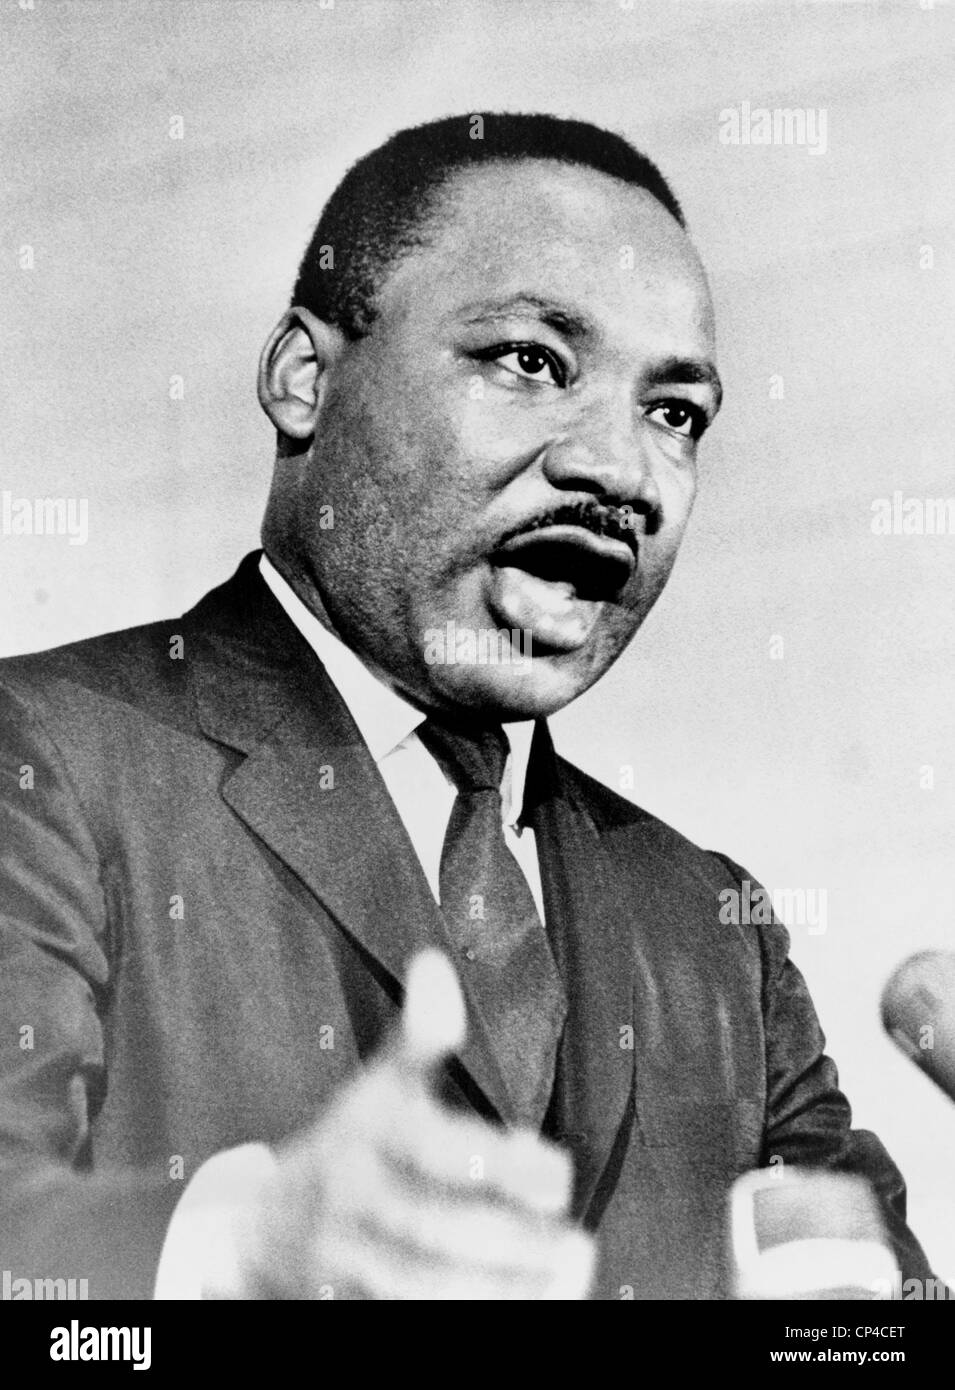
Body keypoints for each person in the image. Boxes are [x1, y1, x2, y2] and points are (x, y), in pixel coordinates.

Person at [0, 112, 932, 1300]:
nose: (621, 470)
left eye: (674, 413)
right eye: (530, 360)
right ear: (302, 380)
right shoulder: (43, 757)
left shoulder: (714, 929)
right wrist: (243, 1250)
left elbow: (865, 1315)